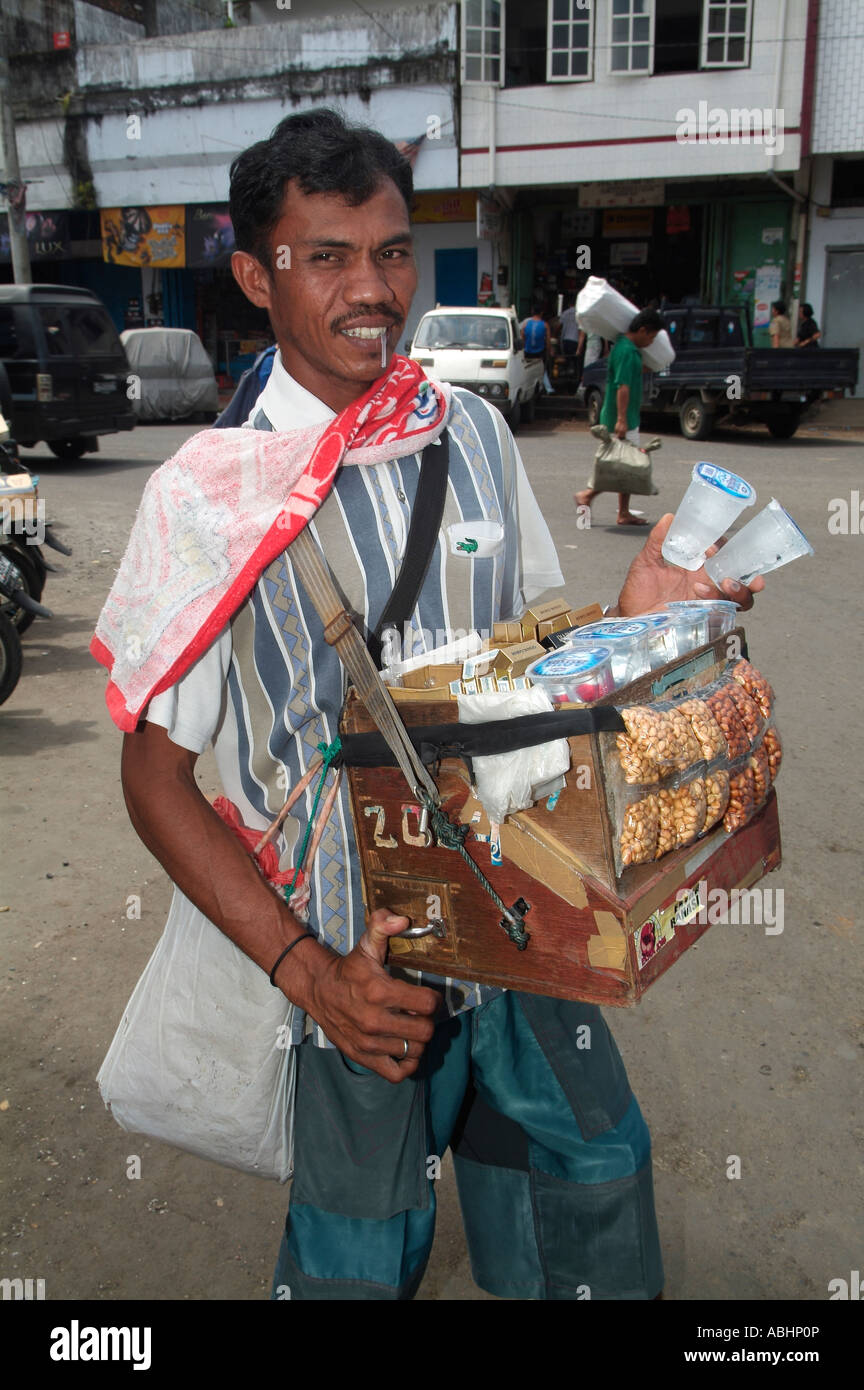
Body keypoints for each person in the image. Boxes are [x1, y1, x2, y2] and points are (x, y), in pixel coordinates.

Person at [93, 109, 763, 1302]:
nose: (371, 288)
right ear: (258, 274)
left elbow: (543, 677)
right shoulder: (205, 501)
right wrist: (307, 974)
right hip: (358, 979)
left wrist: (642, 608)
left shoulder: (474, 434)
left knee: (591, 1188)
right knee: (359, 1259)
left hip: (521, 927)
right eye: (327, 256)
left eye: (391, 250)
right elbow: (154, 779)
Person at [574, 308, 664, 527]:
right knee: (623, 464)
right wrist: (621, 420)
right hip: (621, 417)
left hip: (626, 415)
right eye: (651, 337)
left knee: (624, 462)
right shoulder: (626, 351)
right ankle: (587, 495)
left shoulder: (627, 349)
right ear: (642, 330)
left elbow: (629, 376)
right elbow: (622, 387)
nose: (651, 342)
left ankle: (623, 512)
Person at [522, 305, 555, 393]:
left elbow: (523, 338)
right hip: (540, 352)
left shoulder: (526, 324)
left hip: (528, 352)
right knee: (542, 370)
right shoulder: (545, 325)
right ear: (541, 313)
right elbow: (548, 341)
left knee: (528, 370)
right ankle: (546, 388)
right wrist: (550, 350)